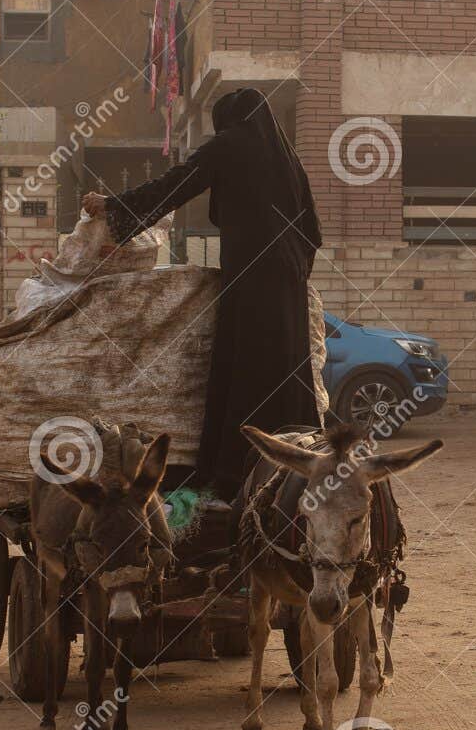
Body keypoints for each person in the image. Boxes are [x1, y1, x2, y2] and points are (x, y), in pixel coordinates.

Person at [81, 88, 322, 501]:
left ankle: (236, 468)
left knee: (245, 366)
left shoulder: (230, 144)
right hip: (288, 279)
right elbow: (313, 230)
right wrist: (294, 272)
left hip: (251, 275)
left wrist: (115, 206)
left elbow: (179, 183)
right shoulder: (287, 158)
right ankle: (292, 460)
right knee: (285, 366)